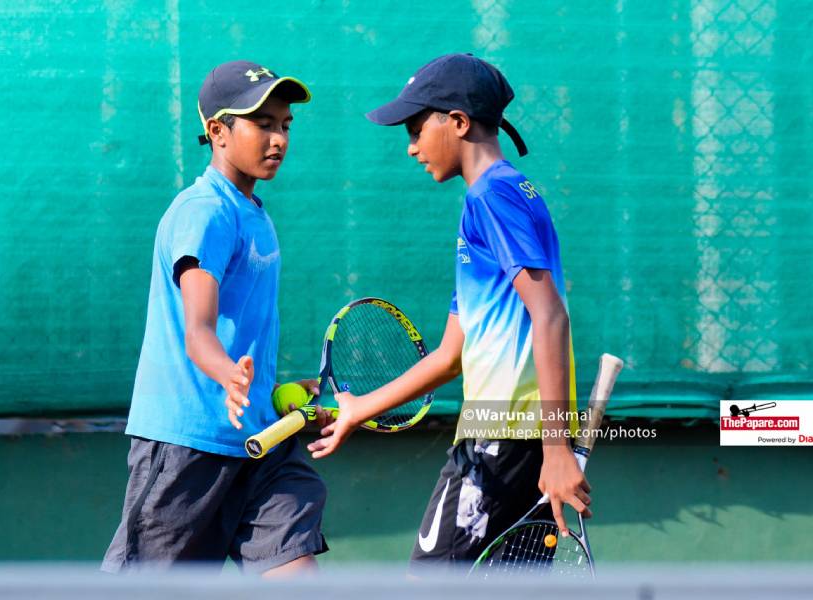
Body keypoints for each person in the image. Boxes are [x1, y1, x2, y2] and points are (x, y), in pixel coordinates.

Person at [307, 53, 589, 570]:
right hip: (517, 437)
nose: (411, 147)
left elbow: (550, 317)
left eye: (416, 129)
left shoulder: (492, 196)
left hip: (506, 436)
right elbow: (449, 355)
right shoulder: (502, 196)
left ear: (458, 122)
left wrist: (555, 448)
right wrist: (357, 409)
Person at [102, 60, 329, 576]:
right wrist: (227, 374)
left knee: (296, 572)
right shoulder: (204, 212)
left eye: (284, 125)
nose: (278, 138)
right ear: (217, 131)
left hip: (260, 443)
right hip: (188, 444)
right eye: (262, 123)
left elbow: (239, 331)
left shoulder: (254, 212)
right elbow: (198, 329)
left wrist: (268, 389)